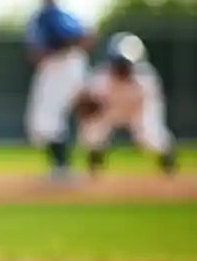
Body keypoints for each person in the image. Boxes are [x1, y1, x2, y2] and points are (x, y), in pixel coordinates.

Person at [24, 0, 95, 181]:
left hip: (63, 65)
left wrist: (62, 47)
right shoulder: (45, 15)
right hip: (59, 65)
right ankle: (61, 166)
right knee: (44, 120)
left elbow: (84, 37)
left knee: (48, 118)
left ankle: (62, 168)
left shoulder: (56, 15)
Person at [75, 32, 178, 177]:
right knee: (93, 131)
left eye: (125, 62)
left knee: (151, 135)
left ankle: (168, 166)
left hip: (138, 110)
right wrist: (88, 108)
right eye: (118, 62)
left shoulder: (146, 77)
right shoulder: (100, 77)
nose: (121, 66)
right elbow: (86, 103)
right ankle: (95, 168)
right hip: (109, 110)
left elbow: (151, 106)